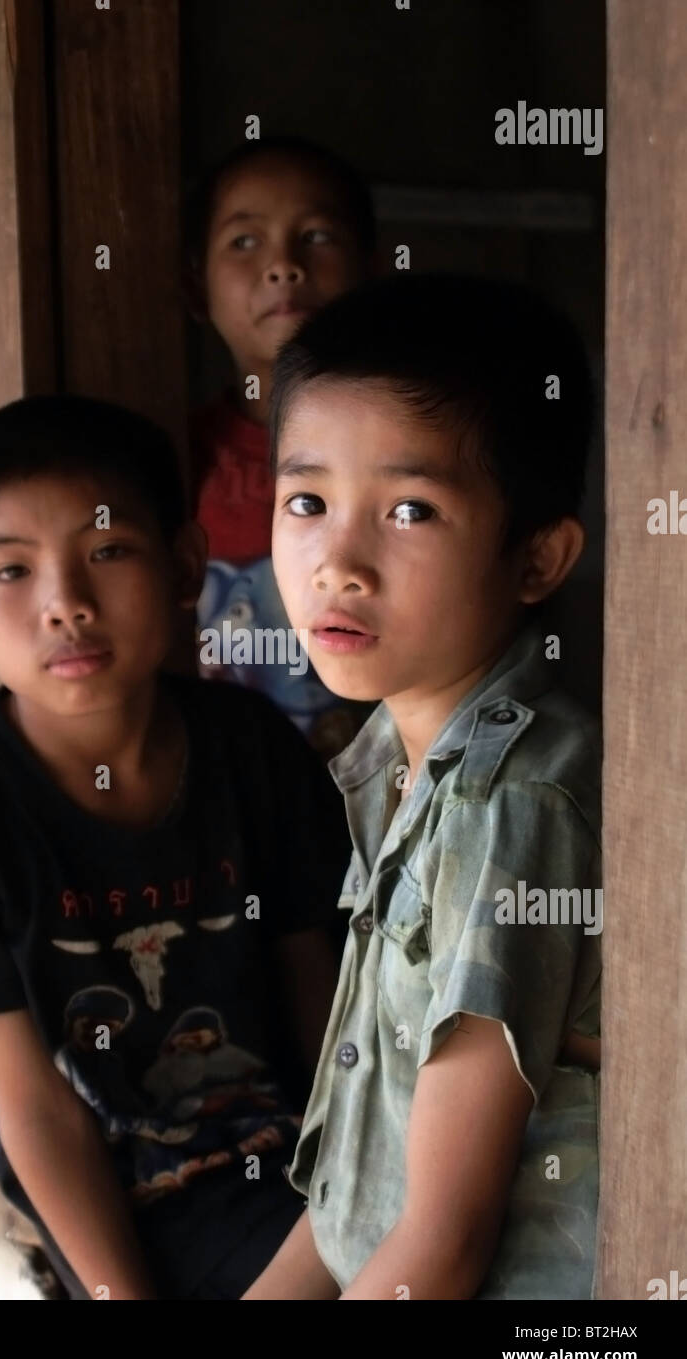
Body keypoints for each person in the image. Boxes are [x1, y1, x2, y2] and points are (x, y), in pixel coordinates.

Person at [0, 395, 349, 1301]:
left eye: (107, 552)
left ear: (185, 566)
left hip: (307, 1162)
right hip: (138, 1214)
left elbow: (321, 1000)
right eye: (11, 572)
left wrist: (357, 1180)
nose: (66, 605)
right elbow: (35, 1109)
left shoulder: (251, 751)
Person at [244, 274, 603, 1300]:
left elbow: (439, 1246)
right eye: (306, 501)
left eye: (409, 509)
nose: (336, 563)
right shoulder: (386, 768)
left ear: (536, 556)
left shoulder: (514, 802)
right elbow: (352, 1209)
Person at [185, 136, 376, 756]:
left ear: (371, 267)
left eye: (317, 236)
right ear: (196, 286)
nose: (283, 266)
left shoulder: (413, 454)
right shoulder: (180, 463)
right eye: (244, 242)